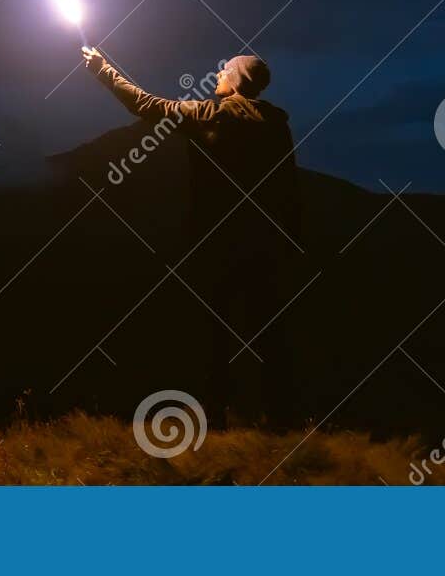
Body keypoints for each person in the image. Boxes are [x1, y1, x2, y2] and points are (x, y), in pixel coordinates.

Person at [81, 46, 302, 425]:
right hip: (267, 246)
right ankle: (281, 422)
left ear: (236, 80)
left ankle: (214, 420)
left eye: (224, 72)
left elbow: (145, 104)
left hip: (217, 244)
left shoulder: (208, 114)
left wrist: (103, 69)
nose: (217, 76)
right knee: (270, 334)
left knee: (213, 333)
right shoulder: (277, 126)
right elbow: (288, 188)